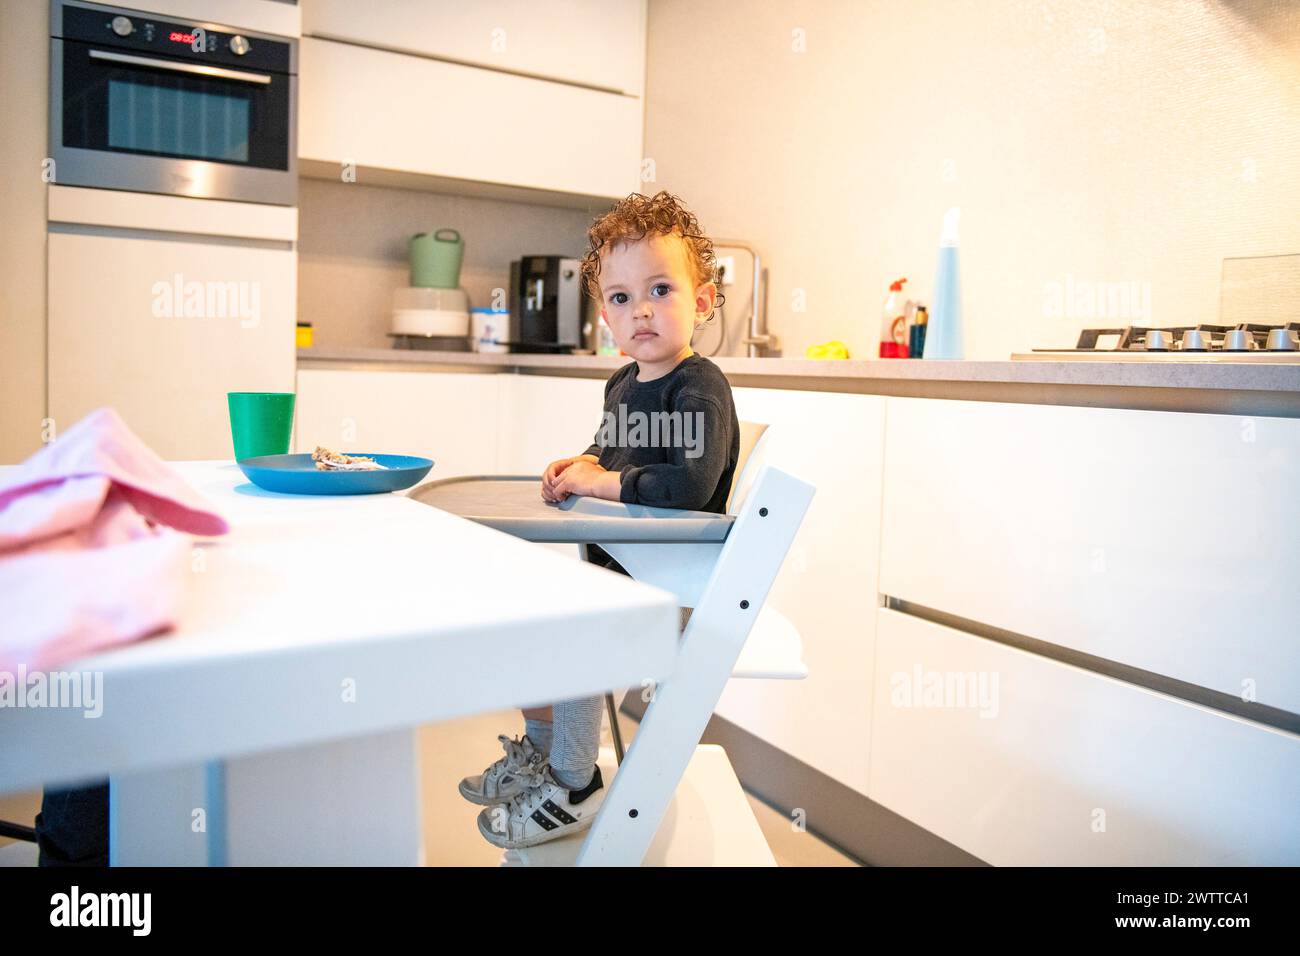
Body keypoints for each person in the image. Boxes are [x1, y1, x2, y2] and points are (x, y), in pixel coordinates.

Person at [459, 191, 740, 849]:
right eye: (620, 297)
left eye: (660, 289)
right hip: (622, 570)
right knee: (529, 618)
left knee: (576, 633)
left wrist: (602, 480)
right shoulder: (623, 384)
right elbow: (609, 452)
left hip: (668, 586)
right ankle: (543, 753)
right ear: (604, 316)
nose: (640, 309)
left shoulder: (698, 387)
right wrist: (582, 462)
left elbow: (692, 488)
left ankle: (574, 786)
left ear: (701, 302)